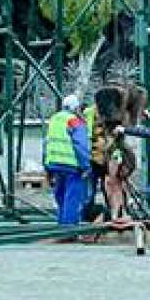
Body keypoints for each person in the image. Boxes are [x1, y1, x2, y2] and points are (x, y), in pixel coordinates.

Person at [43, 94, 91, 226]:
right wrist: (86, 166)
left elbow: (46, 142)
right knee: (72, 198)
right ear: (76, 108)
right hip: (71, 166)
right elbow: (80, 145)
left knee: (61, 197)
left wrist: (46, 165)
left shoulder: (54, 119)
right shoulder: (75, 121)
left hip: (54, 164)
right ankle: (69, 229)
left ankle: (61, 225)